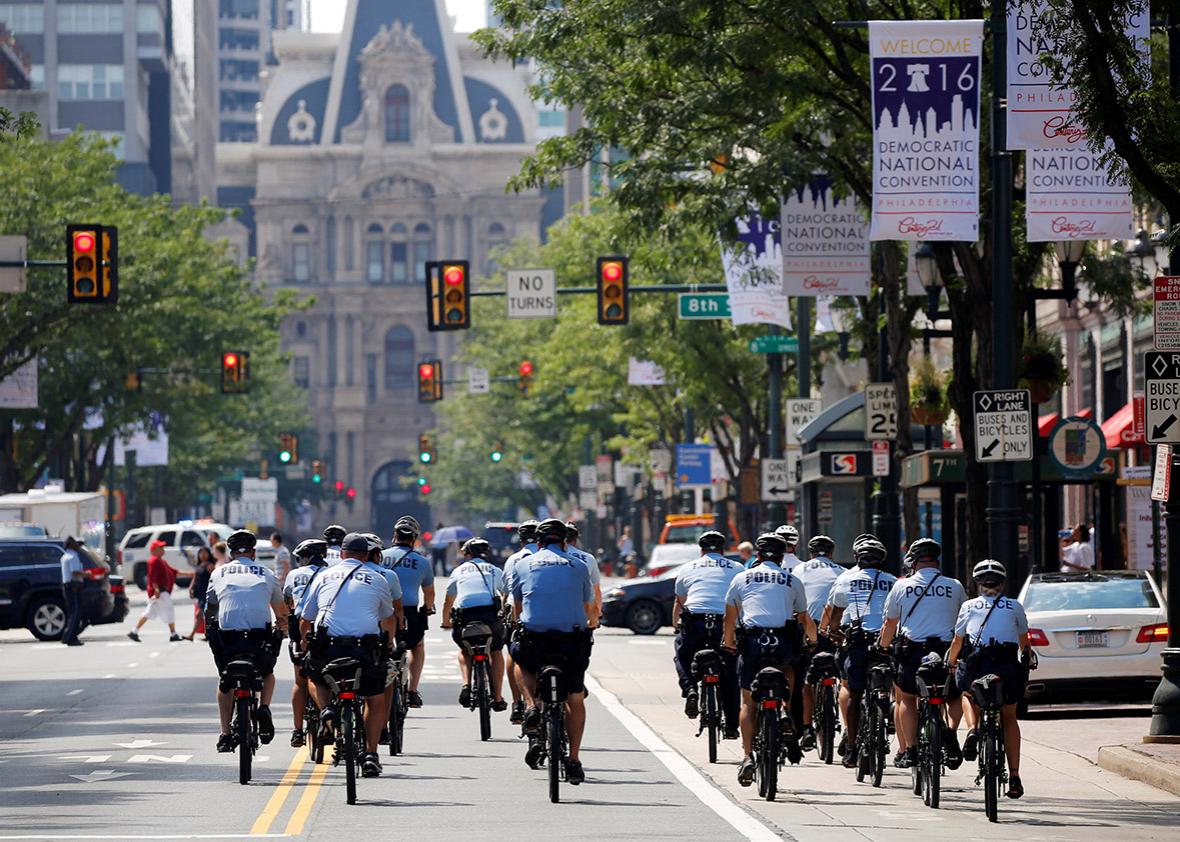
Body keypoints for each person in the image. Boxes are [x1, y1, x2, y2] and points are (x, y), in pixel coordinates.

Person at [300, 532, 402, 779]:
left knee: (313, 675)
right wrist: (388, 644)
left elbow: (306, 618)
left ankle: (326, 710)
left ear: (342, 554)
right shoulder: (378, 578)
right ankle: (370, 754)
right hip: (364, 649)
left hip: (329, 647)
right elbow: (388, 618)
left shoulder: (323, 576)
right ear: (366, 556)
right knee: (375, 699)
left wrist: (305, 644)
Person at [722, 532, 816, 787]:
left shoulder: (742, 577)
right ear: (782, 556)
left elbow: (729, 617)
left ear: (758, 555)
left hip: (753, 644)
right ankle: (784, 708)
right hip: (783, 643)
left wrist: (728, 642)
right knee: (788, 669)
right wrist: (812, 641)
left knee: (748, 703)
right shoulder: (792, 579)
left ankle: (747, 756)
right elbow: (802, 617)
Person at [509, 518, 593, 784]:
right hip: (571, 639)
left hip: (536, 637)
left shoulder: (523, 564)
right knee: (575, 699)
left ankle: (531, 705)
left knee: (519, 658)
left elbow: (517, 606)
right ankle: (575, 760)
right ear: (565, 541)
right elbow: (588, 604)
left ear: (539, 541)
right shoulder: (579, 565)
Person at [878, 537, 966, 769]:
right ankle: (951, 732)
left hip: (914, 652)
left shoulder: (902, 586)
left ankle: (911, 749)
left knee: (907, 697)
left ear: (914, 562)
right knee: (954, 696)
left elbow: (890, 623)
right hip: (947, 650)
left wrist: (883, 647)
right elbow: (964, 620)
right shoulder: (954, 585)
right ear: (936, 561)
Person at [947, 559, 1031, 799]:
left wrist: (951, 662)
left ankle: (973, 729)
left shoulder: (969, 606)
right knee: (1009, 716)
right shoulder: (1014, 606)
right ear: (1002, 584)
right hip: (1006, 664)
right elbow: (1024, 641)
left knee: (967, 692)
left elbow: (958, 641)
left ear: (978, 584)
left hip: (978, 663)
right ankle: (1014, 775)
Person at [204, 530, 287, 753]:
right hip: (258, 638)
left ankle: (224, 733)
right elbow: (281, 611)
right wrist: (283, 626)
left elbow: (210, 607)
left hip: (228, 640)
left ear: (230, 553)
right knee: (267, 673)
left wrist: (209, 628)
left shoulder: (219, 572)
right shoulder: (267, 573)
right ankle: (265, 708)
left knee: (225, 680)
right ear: (253, 552)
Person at [821, 536, 897, 767]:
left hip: (858, 642)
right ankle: (888, 708)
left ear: (857, 559)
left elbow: (835, 614)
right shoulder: (894, 581)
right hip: (885, 643)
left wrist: (834, 633)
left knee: (853, 693)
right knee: (897, 688)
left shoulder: (846, 579)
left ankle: (852, 748)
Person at [672, 530, 742, 739]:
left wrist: (676, 625)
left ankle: (690, 689)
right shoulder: (737, 568)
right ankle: (731, 726)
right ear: (723, 549)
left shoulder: (687, 568)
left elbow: (680, 602)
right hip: (724, 622)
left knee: (682, 655)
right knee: (731, 671)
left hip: (696, 621)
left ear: (701, 550)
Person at [441, 538, 509, 711]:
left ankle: (466, 685)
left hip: (465, 617)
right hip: (490, 617)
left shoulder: (458, 571)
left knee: (465, 649)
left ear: (467, 554)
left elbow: (449, 601)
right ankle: (498, 696)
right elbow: (506, 595)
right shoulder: (495, 570)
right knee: (496, 651)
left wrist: (445, 622)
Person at [790, 535, 844, 751]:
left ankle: (806, 727)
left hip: (807, 630)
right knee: (843, 677)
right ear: (831, 554)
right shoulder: (842, 572)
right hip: (832, 631)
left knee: (805, 680)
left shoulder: (798, 571)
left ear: (810, 553)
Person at [380, 516, 435, 708]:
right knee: (417, 646)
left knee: (380, 649)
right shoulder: (423, 561)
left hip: (384, 611)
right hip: (410, 612)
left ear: (394, 537)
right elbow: (429, 592)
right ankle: (412, 690)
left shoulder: (380, 556)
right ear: (414, 539)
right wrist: (428, 608)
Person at [283, 538, 329, 747]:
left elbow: (288, 602)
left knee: (300, 681)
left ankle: (297, 731)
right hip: (325, 628)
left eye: (300, 558)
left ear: (307, 557)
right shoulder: (330, 574)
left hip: (299, 627)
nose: (299, 562)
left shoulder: (294, 575)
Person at [502, 519, 540, 724]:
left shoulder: (514, 559)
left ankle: (518, 703)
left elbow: (507, 593)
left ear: (521, 540)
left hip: (518, 611)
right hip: (546, 612)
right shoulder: (552, 557)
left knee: (515, 655)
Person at [128, 540, 180, 642]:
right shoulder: (154, 561)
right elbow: (152, 577)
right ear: (154, 550)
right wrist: (156, 589)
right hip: (160, 592)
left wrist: (191, 574)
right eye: (160, 548)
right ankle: (173, 634)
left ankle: (134, 631)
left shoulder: (161, 561)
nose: (162, 550)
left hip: (160, 591)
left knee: (149, 612)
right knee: (169, 609)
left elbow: (173, 572)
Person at [564, 522, 602, 626]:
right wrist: (598, 613)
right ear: (576, 541)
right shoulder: (589, 558)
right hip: (583, 613)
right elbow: (596, 590)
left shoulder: (552, 557)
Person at [185, 546, 215, 641]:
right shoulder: (199, 565)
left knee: (204, 614)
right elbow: (195, 577)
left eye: (205, 552)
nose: (203, 555)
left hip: (207, 593)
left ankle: (208, 635)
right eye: (201, 553)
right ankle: (192, 635)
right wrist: (190, 588)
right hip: (200, 593)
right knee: (199, 615)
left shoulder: (210, 565)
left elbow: (214, 578)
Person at [59, 536, 85, 646]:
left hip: (67, 586)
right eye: (76, 543)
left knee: (72, 613)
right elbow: (75, 572)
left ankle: (67, 636)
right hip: (73, 586)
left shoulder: (65, 556)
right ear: (70, 544)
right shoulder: (73, 556)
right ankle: (71, 638)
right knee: (76, 612)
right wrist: (86, 574)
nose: (78, 546)